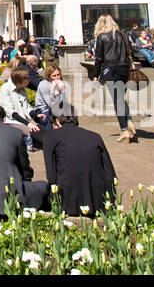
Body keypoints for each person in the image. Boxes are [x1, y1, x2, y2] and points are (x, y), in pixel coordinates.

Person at [40, 113, 117, 217]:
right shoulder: (95, 137)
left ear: (57, 121)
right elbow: (110, 173)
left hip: (67, 204)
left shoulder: (50, 137)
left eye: (51, 123)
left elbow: (51, 177)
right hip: (97, 203)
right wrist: (109, 201)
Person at [92, 14, 135, 143]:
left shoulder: (101, 37)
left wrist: (96, 74)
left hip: (110, 69)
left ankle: (124, 130)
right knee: (121, 98)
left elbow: (98, 58)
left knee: (117, 100)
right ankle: (128, 121)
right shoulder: (122, 35)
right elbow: (130, 51)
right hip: (124, 68)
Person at [0, 66, 37, 147]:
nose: (29, 80)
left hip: (23, 119)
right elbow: (11, 112)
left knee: (41, 129)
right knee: (33, 131)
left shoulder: (22, 89)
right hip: (10, 121)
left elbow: (26, 106)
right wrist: (28, 124)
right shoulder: (5, 89)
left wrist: (35, 114)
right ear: (20, 80)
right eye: (27, 78)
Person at [33, 63, 71, 129]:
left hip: (58, 109)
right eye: (54, 76)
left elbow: (65, 103)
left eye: (58, 75)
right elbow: (51, 105)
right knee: (50, 119)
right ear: (49, 76)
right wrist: (52, 92)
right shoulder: (43, 85)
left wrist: (62, 91)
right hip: (43, 110)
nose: (57, 78)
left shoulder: (63, 84)